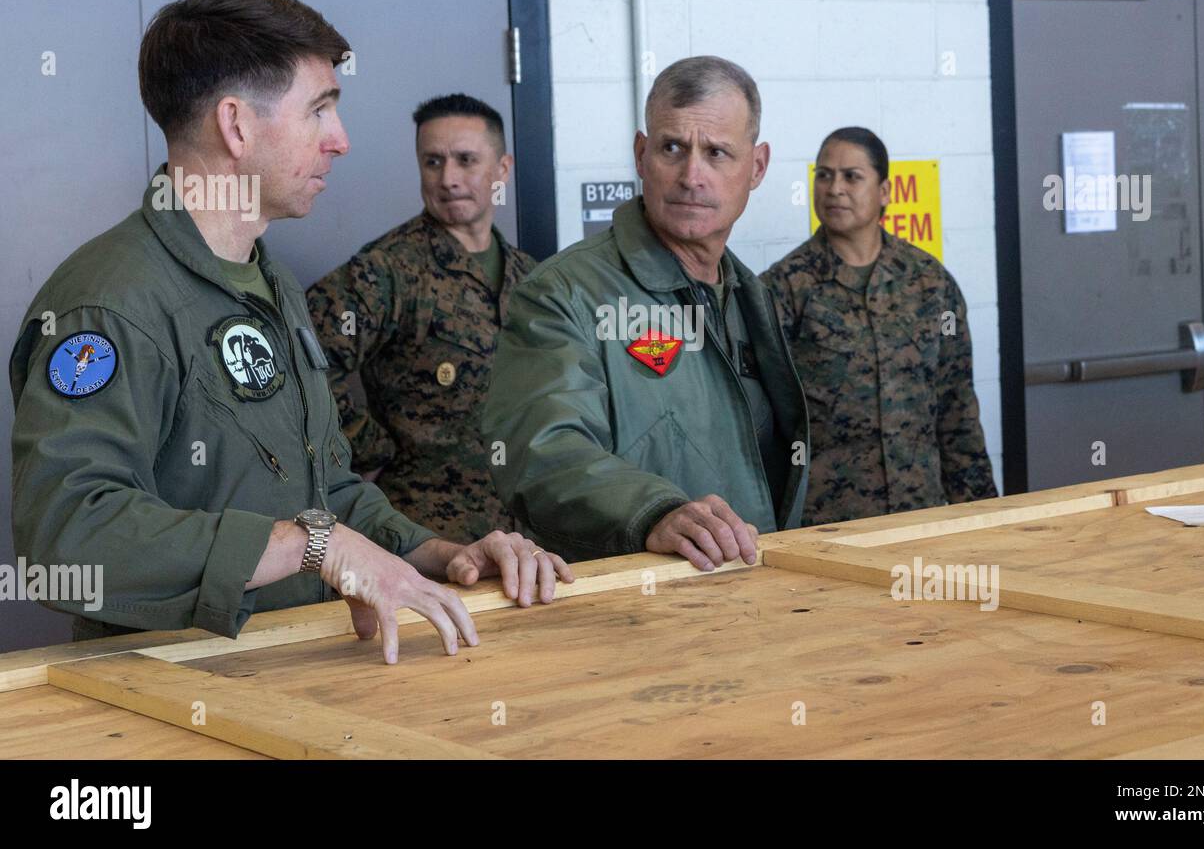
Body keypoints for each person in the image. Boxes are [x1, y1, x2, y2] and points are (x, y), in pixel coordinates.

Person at [8, 0, 570, 665]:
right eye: (320, 111)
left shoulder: (270, 283)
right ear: (237, 126)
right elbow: (70, 532)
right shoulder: (110, 304)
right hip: (171, 690)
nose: (341, 141)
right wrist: (312, 544)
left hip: (298, 666)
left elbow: (324, 492)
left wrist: (441, 555)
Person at [482, 56, 808, 570]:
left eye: (718, 153)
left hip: (748, 594)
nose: (691, 175)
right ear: (641, 154)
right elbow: (543, 451)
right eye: (672, 148)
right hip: (628, 613)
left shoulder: (749, 295)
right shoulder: (561, 293)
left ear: (757, 167)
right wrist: (654, 511)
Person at [307, 94, 533, 544]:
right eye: (433, 162)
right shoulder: (386, 270)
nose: (448, 179)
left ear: (502, 169)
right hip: (424, 537)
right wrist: (370, 448)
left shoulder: (530, 275)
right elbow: (302, 353)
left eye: (466, 160)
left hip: (524, 528)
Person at [762, 126, 997, 525]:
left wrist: (983, 514)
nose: (834, 188)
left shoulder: (930, 283)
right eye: (824, 175)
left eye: (852, 176)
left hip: (920, 514)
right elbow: (762, 423)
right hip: (825, 523)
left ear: (885, 192)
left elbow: (957, 410)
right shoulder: (783, 288)